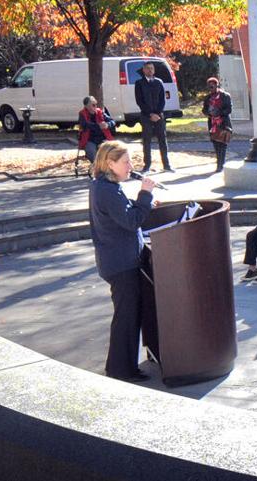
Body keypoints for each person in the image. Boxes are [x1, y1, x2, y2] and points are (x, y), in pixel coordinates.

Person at [87, 140, 156, 382]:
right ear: (110, 163)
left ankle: (122, 365)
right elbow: (130, 221)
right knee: (126, 317)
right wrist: (145, 195)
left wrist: (143, 204)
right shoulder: (107, 190)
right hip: (121, 263)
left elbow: (124, 216)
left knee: (128, 315)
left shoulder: (103, 186)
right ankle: (120, 369)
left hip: (117, 259)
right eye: (125, 162)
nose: (130, 166)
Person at [134, 62, 170, 172]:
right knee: (147, 141)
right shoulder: (139, 83)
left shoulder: (159, 82)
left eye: (152, 69)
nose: (150, 70)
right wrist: (150, 114)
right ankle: (147, 165)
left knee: (162, 140)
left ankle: (167, 165)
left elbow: (162, 100)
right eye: (148, 68)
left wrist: (157, 114)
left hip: (159, 116)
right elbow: (139, 101)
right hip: (146, 116)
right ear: (144, 70)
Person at [202, 77, 233, 172]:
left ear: (217, 85)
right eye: (210, 86)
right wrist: (209, 113)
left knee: (222, 144)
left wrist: (218, 112)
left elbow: (229, 109)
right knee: (216, 144)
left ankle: (221, 165)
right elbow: (204, 109)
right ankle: (219, 163)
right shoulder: (207, 98)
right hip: (212, 124)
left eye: (213, 85)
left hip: (223, 123)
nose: (211, 87)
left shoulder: (225, 96)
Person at [77, 96, 114, 163]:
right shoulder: (82, 114)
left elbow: (112, 121)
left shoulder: (100, 112)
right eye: (93, 105)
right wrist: (98, 126)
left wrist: (107, 124)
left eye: (96, 104)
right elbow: (84, 125)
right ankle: (97, 167)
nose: (95, 106)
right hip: (90, 140)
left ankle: (105, 167)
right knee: (90, 151)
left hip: (102, 139)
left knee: (109, 149)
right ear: (87, 106)